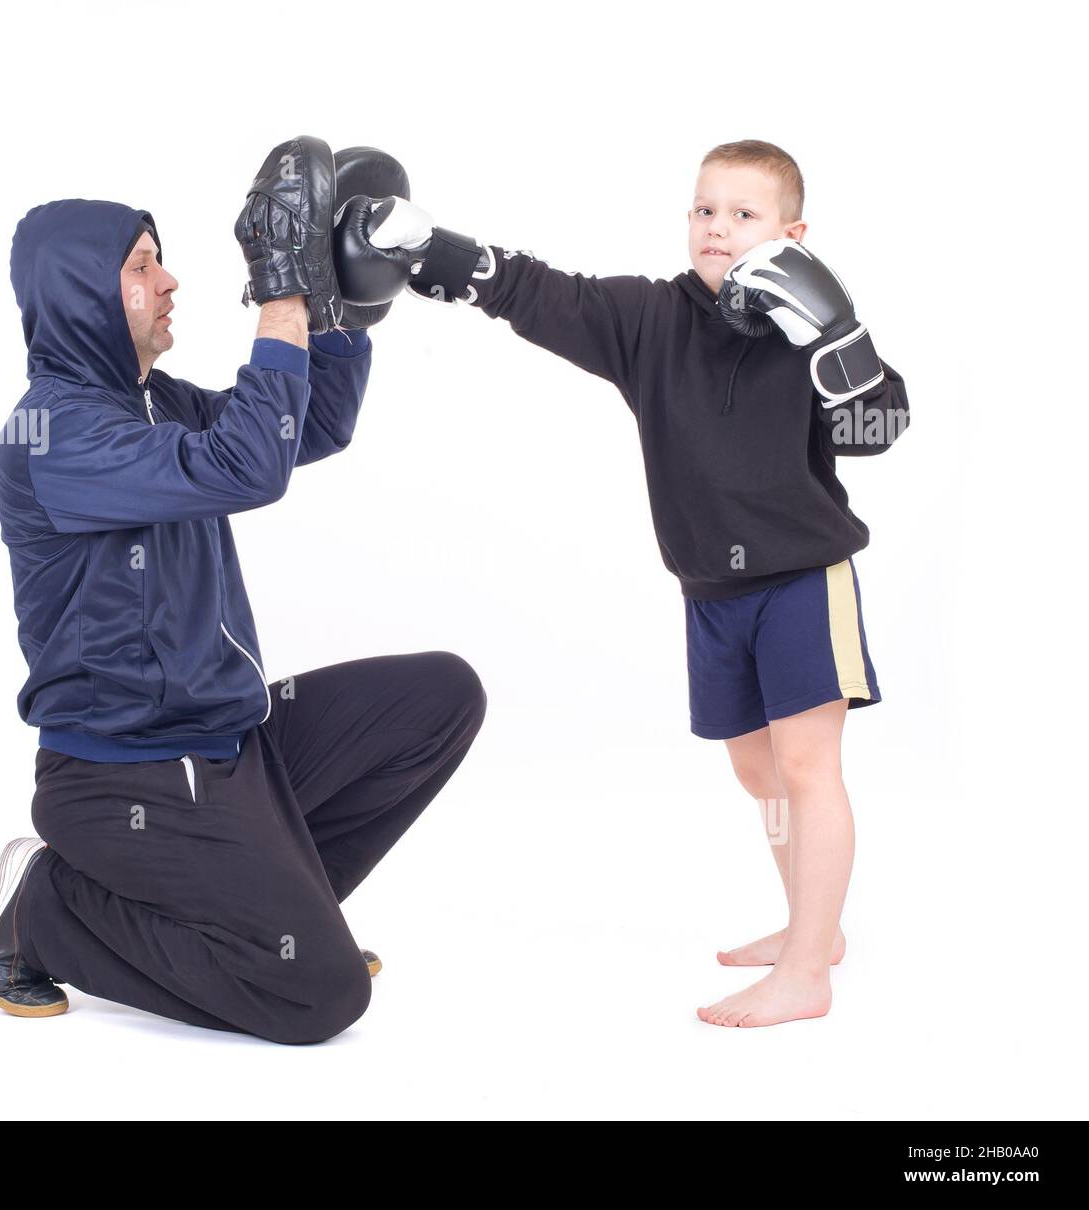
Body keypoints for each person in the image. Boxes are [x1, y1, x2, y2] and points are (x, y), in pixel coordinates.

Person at [338, 139, 909, 1027]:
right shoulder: (652, 320)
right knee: (758, 772)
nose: (718, 228)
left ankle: (807, 972)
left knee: (807, 766)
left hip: (803, 578)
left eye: (744, 215)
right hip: (711, 594)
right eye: (704, 209)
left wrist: (838, 335)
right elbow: (540, 292)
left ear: (793, 234)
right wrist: (434, 246)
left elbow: (878, 431)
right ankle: (815, 926)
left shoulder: (815, 331)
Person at [0, 136, 486, 1044]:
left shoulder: (155, 403)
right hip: (121, 773)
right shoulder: (49, 436)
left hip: (229, 746)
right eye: (143, 267)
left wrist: (336, 308)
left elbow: (310, 429)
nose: (171, 280)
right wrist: (279, 291)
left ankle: (279, 925)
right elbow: (249, 466)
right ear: (85, 295)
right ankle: (44, 909)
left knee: (441, 696)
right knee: (320, 998)